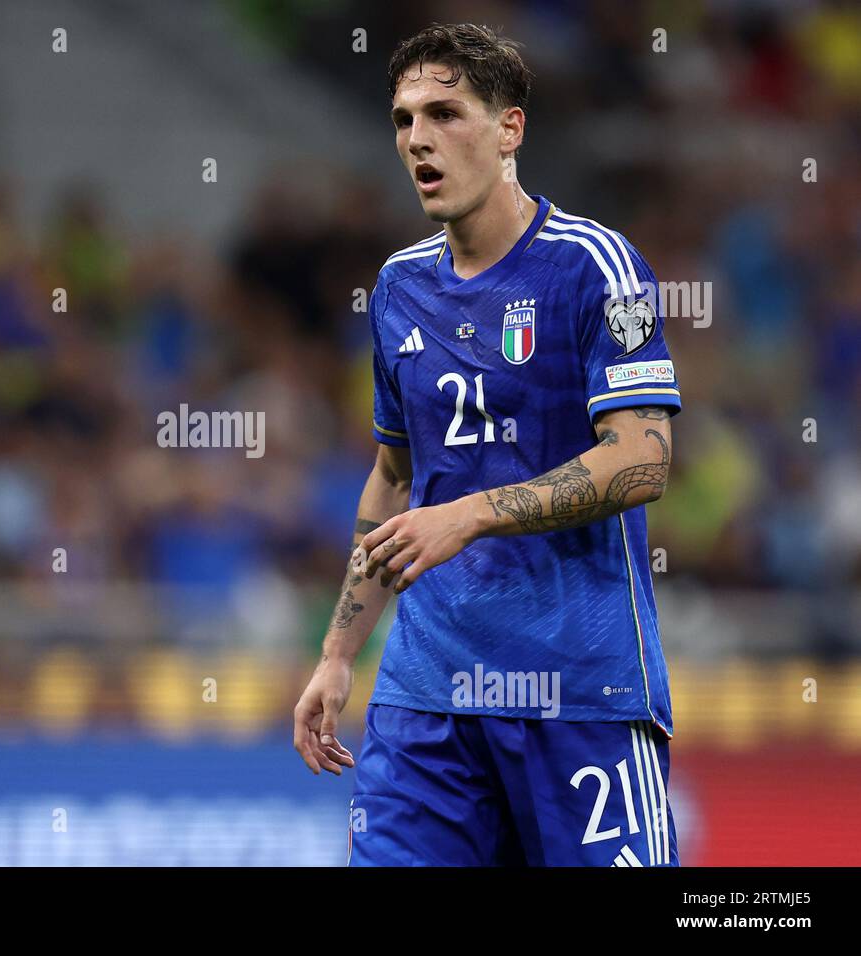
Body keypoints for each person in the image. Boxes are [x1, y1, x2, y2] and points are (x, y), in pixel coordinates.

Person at [292, 23, 681, 867]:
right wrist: (335, 654)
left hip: (578, 692)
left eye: (445, 113)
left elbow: (643, 458)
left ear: (510, 129)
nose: (418, 139)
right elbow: (394, 481)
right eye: (402, 120)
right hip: (426, 701)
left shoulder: (596, 268)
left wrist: (468, 515)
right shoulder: (397, 288)